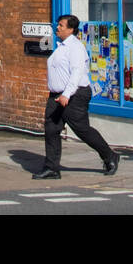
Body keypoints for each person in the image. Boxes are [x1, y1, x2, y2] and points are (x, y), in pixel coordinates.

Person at [32, 14, 119, 179]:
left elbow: (77, 73)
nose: (58, 27)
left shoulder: (75, 47)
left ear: (71, 29)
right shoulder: (62, 46)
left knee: (82, 130)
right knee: (51, 129)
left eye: (61, 26)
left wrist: (66, 94)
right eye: (58, 25)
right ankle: (51, 168)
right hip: (57, 95)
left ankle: (110, 156)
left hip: (74, 94)